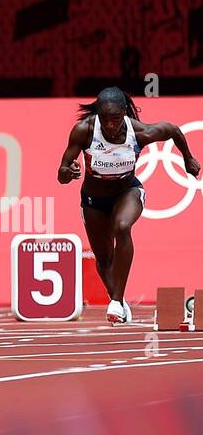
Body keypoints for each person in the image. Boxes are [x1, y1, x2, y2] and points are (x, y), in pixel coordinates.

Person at [57, 86, 200, 323]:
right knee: (103, 260)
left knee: (122, 226)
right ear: (98, 116)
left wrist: (188, 158)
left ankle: (115, 302)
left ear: (124, 112)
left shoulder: (140, 132)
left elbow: (173, 130)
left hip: (128, 192)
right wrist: (67, 172)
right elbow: (61, 174)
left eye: (115, 118)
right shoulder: (84, 131)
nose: (110, 125)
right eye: (105, 119)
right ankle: (120, 302)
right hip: (93, 201)